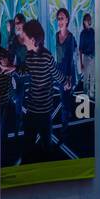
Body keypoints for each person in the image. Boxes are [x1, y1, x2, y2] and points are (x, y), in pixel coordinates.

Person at [20, 19, 61, 163]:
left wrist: (66, 82)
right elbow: (25, 71)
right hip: (32, 109)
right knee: (29, 144)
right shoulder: (29, 55)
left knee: (46, 145)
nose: (23, 41)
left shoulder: (47, 56)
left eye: (24, 37)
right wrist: (12, 68)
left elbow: (56, 74)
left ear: (33, 40)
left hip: (44, 111)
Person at [53, 8, 77, 127]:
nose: (60, 21)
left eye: (62, 18)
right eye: (58, 19)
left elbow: (70, 58)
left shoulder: (70, 37)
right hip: (59, 70)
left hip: (68, 72)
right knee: (64, 97)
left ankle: (65, 126)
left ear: (67, 20)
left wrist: (68, 77)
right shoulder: (56, 35)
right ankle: (67, 114)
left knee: (64, 97)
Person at [78, 12, 95, 100]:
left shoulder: (92, 31)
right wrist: (81, 63)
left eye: (90, 19)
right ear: (84, 21)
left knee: (92, 77)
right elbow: (80, 49)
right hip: (86, 57)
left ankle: (91, 94)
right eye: (88, 19)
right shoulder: (82, 33)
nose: (89, 21)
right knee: (86, 78)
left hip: (93, 56)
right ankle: (85, 93)